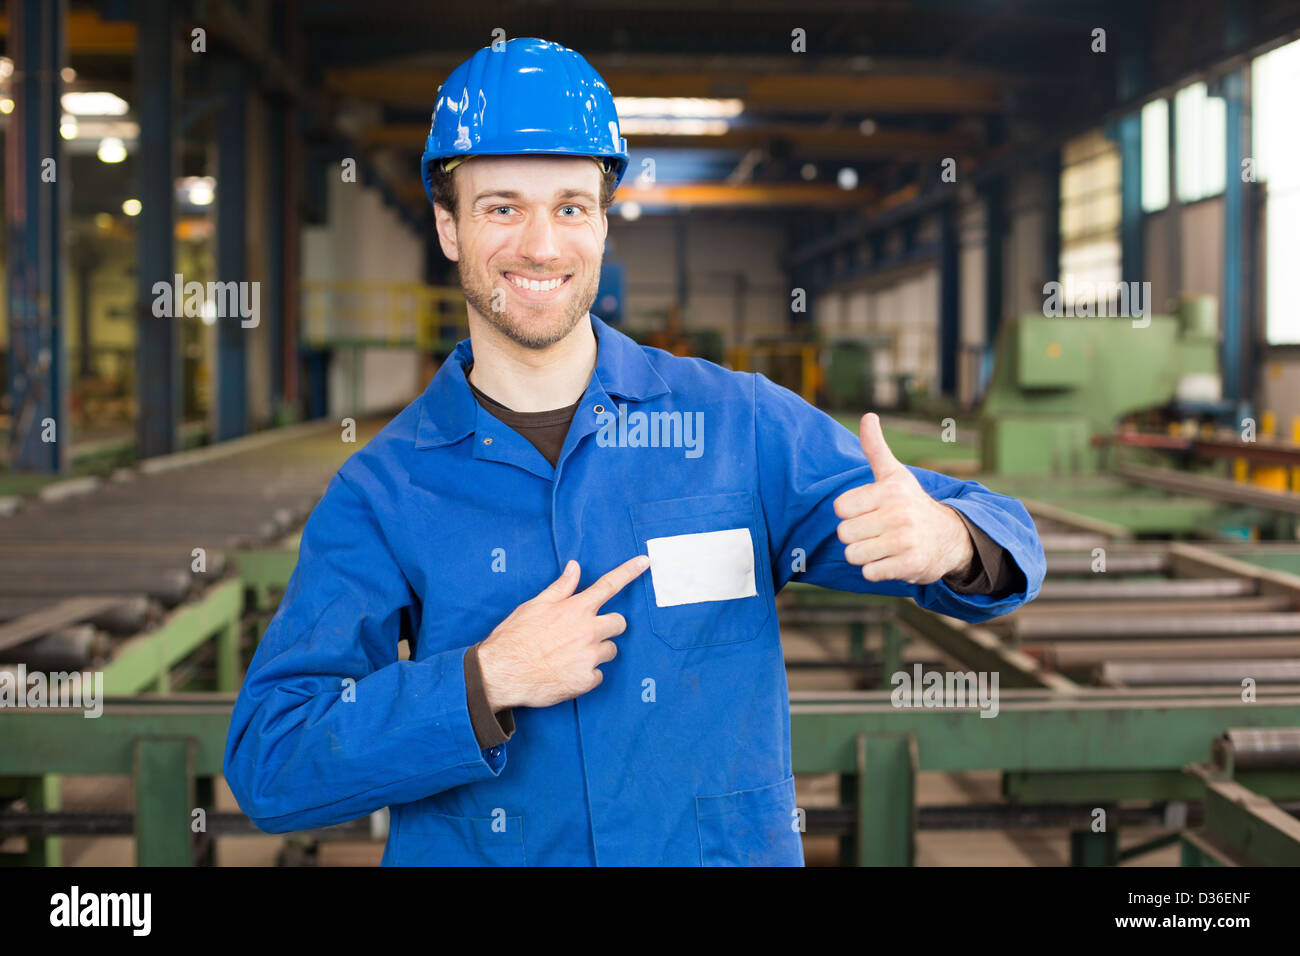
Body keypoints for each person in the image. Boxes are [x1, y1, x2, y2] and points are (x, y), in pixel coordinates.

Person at [224, 37, 1045, 866]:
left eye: (571, 207)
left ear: (604, 224)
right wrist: (482, 683)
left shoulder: (736, 425)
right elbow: (272, 760)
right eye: (502, 207)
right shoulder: (387, 489)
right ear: (448, 226)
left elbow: (1004, 540)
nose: (542, 246)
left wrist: (949, 539)